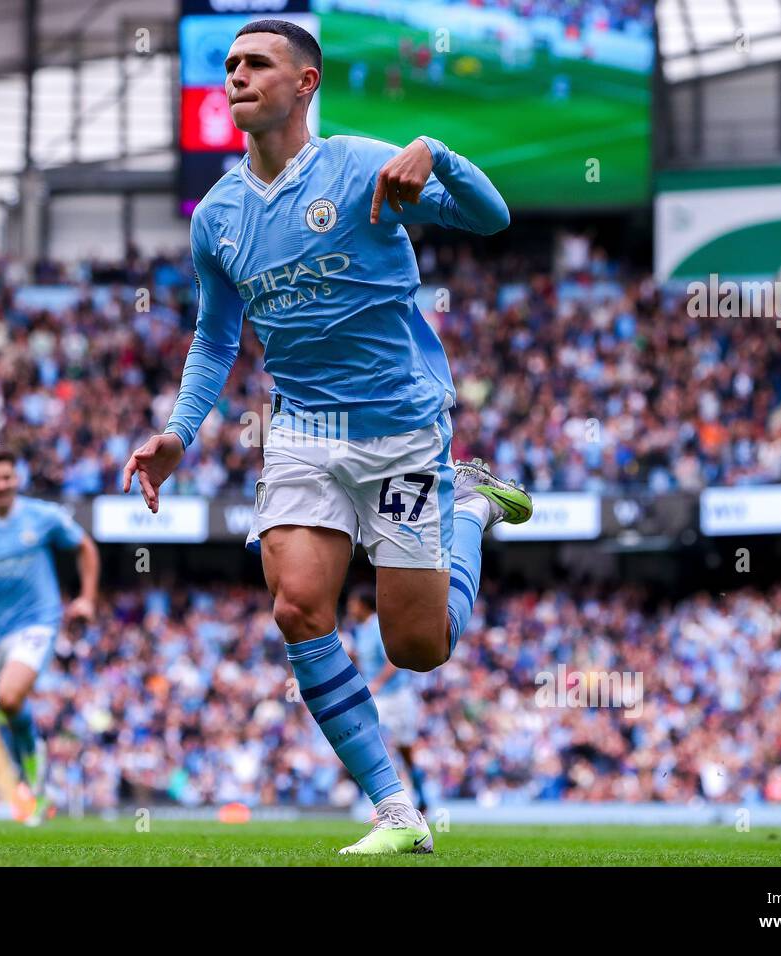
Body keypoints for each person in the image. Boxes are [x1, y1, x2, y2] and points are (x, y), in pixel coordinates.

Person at [122, 20, 531, 854]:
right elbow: (214, 338)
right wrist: (177, 434)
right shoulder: (219, 216)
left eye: (255, 63)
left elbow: (493, 219)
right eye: (228, 65)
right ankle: (394, 810)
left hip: (404, 433)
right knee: (298, 607)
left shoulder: (360, 166)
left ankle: (471, 507)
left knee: (416, 647)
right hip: (303, 431)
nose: (235, 75)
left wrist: (437, 153)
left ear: (305, 83)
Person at [0, 444, 100, 825]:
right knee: (7, 710)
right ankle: (38, 779)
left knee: (9, 695)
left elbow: (84, 546)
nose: (0, 484)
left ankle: (35, 779)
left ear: (17, 478)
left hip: (39, 622)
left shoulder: (42, 517)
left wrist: (87, 599)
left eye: (6, 477)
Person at [345, 587, 427, 814]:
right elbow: (365, 662)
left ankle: (422, 798)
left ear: (363, 605)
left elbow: (395, 660)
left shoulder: (379, 627)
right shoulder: (359, 631)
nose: (350, 607)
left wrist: (377, 682)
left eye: (353, 603)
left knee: (405, 749)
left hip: (397, 695)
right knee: (372, 742)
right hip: (378, 696)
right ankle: (384, 802)